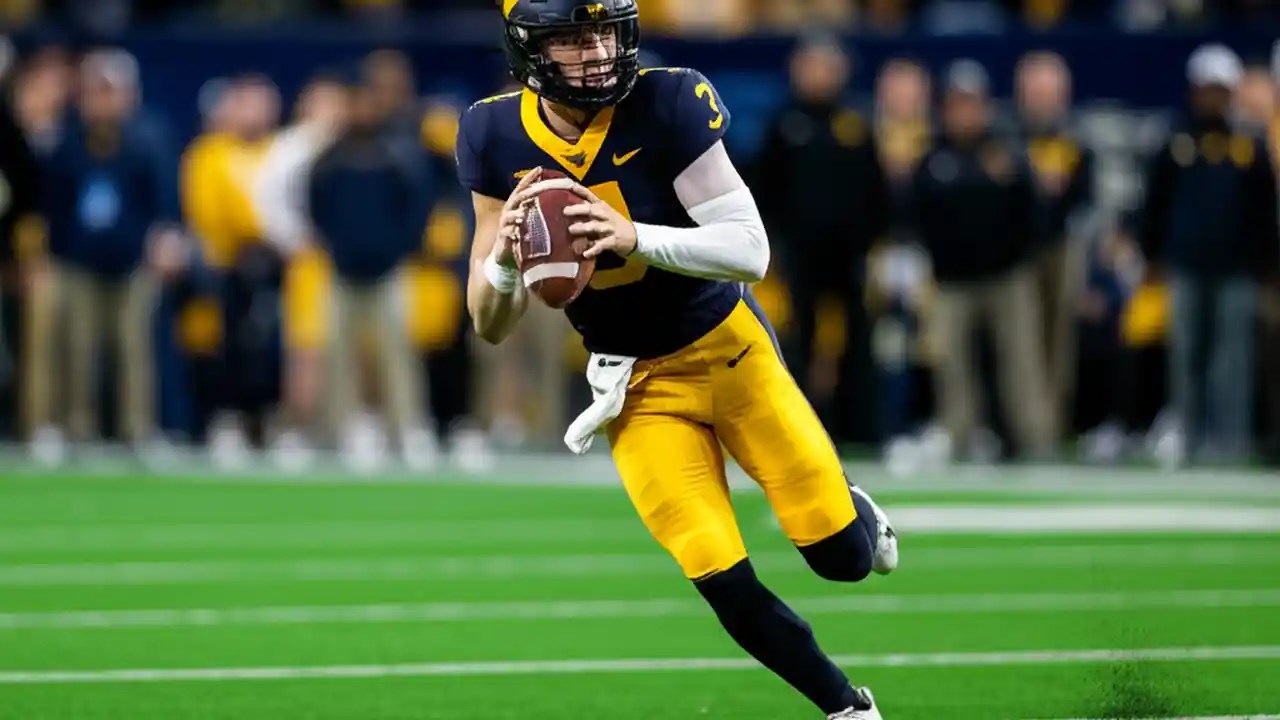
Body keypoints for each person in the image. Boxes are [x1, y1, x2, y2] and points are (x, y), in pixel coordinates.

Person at [456, 2, 897, 718]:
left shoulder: (667, 98)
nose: (597, 50)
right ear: (529, 46)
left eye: (605, 29)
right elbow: (490, 323)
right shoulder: (491, 131)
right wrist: (504, 259)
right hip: (638, 387)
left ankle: (855, 510)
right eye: (572, 37)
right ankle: (847, 708)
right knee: (717, 570)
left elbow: (749, 250)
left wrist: (634, 237)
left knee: (841, 560)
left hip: (729, 357)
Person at [36, 49, 184, 458]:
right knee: (79, 349)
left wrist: (165, 240)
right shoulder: (67, 144)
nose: (102, 101)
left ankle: (137, 429)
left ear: (127, 95)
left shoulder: (148, 141)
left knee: (134, 350)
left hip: (132, 263)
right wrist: (55, 254)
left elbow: (165, 201)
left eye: (110, 92)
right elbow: (54, 206)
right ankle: (77, 429)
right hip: (80, 263)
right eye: (95, 92)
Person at [1139, 45, 1279, 464]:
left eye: (1220, 89)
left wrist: (1268, 263)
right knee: (1187, 356)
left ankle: (1228, 442)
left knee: (1231, 358)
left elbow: (1263, 210)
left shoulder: (1249, 145)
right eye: (1207, 89)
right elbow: (1155, 204)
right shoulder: (1176, 141)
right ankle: (1188, 436)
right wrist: (1153, 256)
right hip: (1186, 264)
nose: (1213, 98)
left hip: (1236, 267)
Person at [910, 59, 1056, 460]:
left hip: (1007, 276)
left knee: (1021, 364)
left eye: (971, 104)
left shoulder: (1007, 153)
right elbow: (916, 216)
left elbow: (1034, 212)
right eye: (957, 104)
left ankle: (1035, 440)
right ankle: (957, 438)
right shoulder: (933, 158)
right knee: (952, 366)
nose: (965, 113)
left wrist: (1021, 257)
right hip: (953, 280)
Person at [755, 34, 889, 445]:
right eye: (811, 66)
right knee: (797, 343)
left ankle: (861, 431)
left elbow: (876, 190)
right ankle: (797, 431)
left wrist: (875, 244)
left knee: (859, 343)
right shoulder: (784, 123)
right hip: (800, 254)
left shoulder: (855, 123)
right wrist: (772, 244)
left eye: (825, 67)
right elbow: (763, 189)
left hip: (851, 256)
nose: (818, 75)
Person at [253, 70, 350, 470]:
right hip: (311, 260)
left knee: (346, 346)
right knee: (307, 347)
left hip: (347, 261)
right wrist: (296, 242)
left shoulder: (348, 146)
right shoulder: (291, 148)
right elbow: (267, 202)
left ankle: (341, 426)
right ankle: (298, 427)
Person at [1014, 51, 1095, 440]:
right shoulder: (1010, 138)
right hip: (1021, 249)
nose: (1043, 98)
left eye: (1050, 91)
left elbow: (1087, 197)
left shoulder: (1075, 141)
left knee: (1059, 341)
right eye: (1036, 90)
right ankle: (1029, 428)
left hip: (1063, 246)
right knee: (1023, 343)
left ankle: (1055, 423)